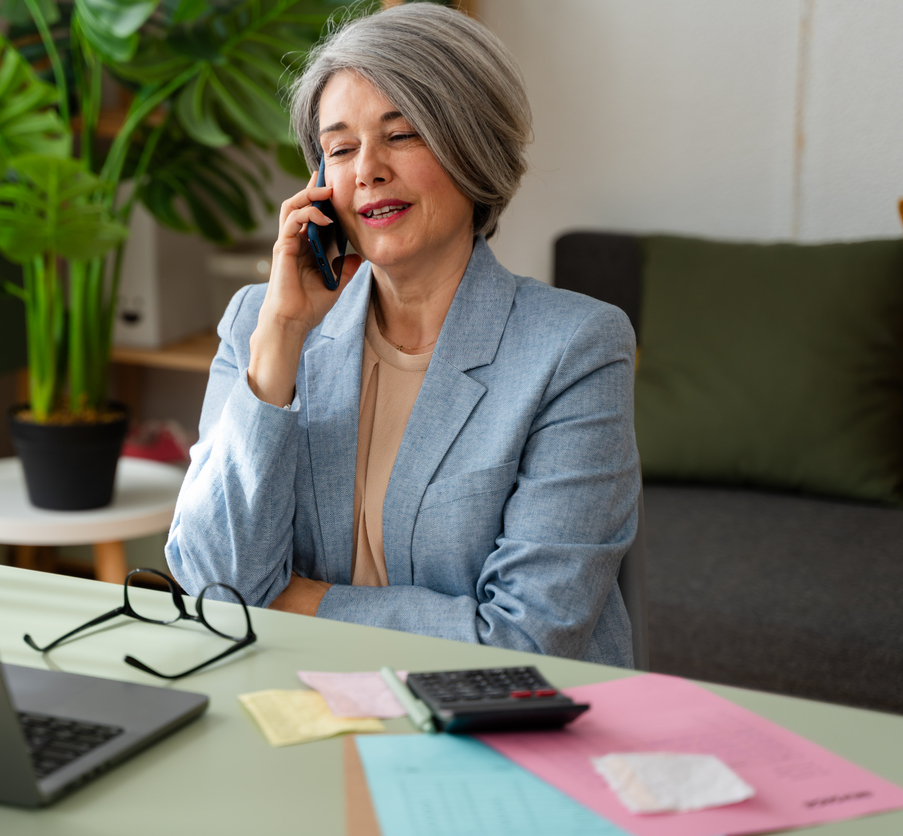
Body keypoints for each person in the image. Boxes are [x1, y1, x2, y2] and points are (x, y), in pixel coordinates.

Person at [165, 4, 640, 667]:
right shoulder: (261, 323)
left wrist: (302, 601)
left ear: (471, 146)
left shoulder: (576, 349)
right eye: (339, 148)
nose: (368, 170)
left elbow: (527, 637)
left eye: (402, 134)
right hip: (305, 705)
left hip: (505, 727)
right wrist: (280, 340)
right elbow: (214, 584)